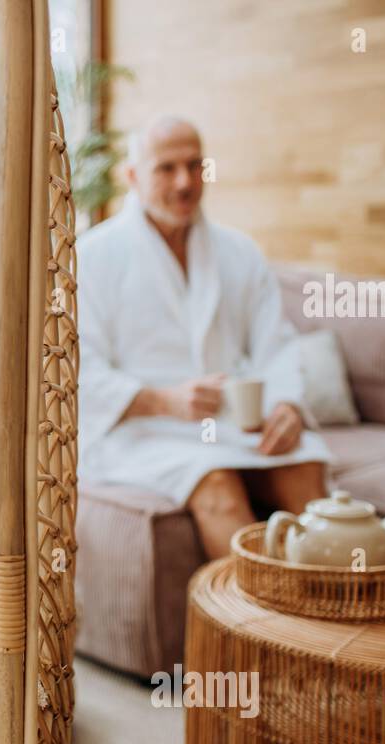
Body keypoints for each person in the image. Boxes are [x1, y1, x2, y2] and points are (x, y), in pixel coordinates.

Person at [77, 115, 332, 559]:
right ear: (133, 176)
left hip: (233, 425)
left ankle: (338, 607)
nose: (185, 182)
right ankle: (266, 623)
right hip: (143, 433)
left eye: (195, 166)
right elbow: (77, 367)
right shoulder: (93, 257)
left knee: (305, 469)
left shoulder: (239, 252)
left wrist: (287, 405)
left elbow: (277, 344)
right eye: (167, 168)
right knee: (217, 484)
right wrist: (162, 401)